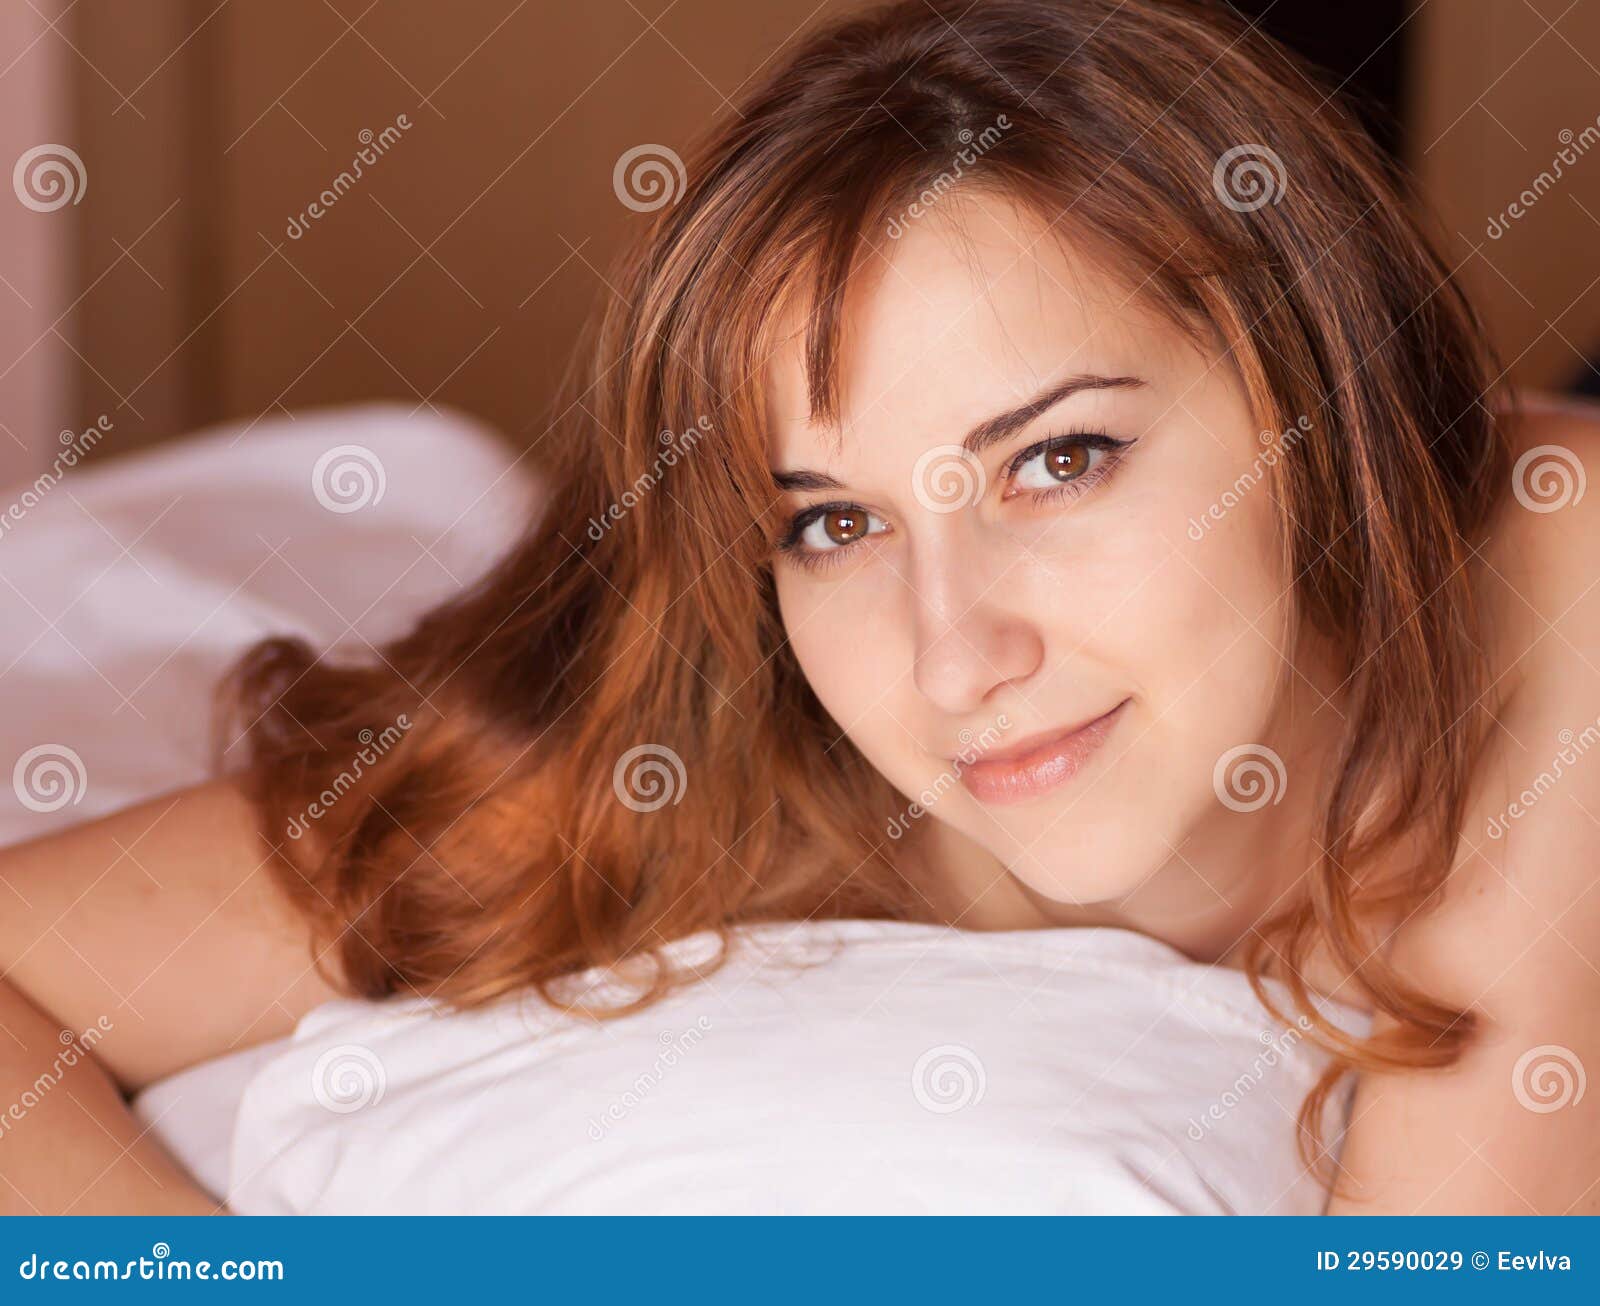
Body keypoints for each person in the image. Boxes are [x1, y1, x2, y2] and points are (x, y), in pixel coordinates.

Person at [2, 0, 1596, 1214]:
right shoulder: (697, 778)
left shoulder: (1556, 570)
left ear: (1316, 403)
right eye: (834, 522)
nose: (955, 656)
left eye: (1058, 461)